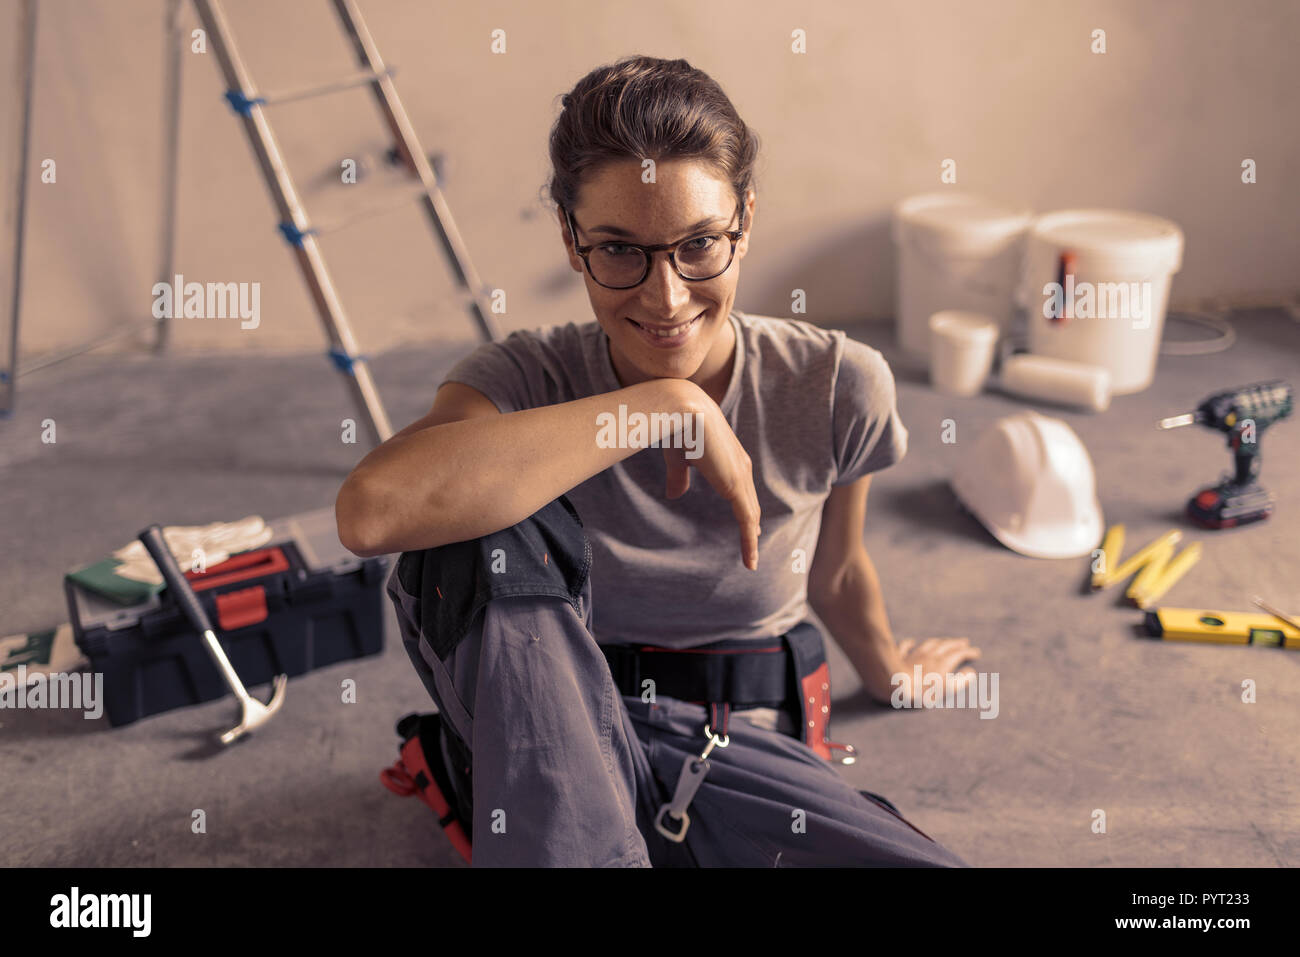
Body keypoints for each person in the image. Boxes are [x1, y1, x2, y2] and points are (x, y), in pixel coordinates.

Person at [337, 55, 980, 867]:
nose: (666, 297)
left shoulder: (835, 387)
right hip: (553, 737)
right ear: (572, 241)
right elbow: (373, 510)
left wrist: (891, 673)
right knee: (475, 522)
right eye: (619, 250)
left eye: (700, 244)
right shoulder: (526, 379)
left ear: (745, 220)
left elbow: (841, 571)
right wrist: (655, 408)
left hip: (732, 749)